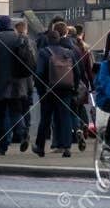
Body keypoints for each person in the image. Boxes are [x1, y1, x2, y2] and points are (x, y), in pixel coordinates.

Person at [34, 20, 82, 158]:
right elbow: (77, 72)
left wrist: (41, 90)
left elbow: (39, 73)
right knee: (65, 116)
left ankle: (40, 147)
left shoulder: (44, 52)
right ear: (59, 39)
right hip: (66, 89)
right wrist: (74, 88)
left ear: (48, 40)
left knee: (46, 118)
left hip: (49, 90)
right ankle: (67, 147)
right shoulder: (68, 53)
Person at [0, 17, 30, 155]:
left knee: (0, 117)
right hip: (18, 83)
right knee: (16, 112)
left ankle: (2, 147)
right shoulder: (20, 38)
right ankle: (23, 132)